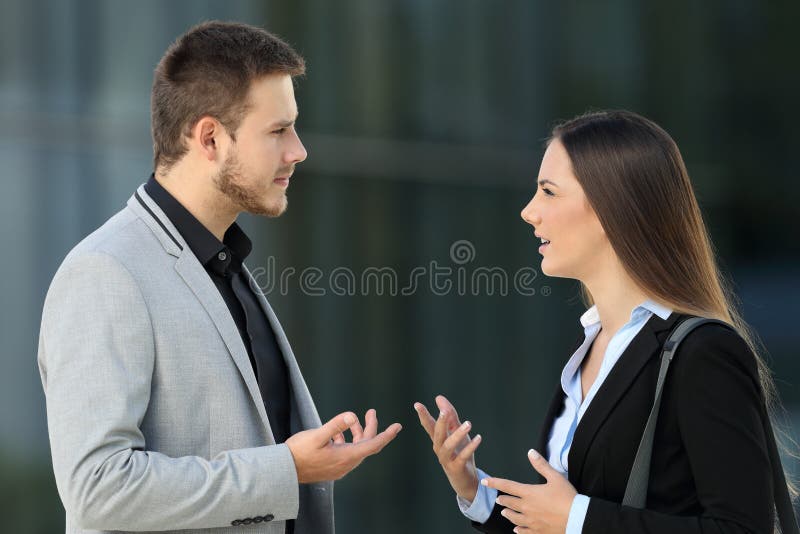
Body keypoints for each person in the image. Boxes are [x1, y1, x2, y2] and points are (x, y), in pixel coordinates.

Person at [37, 21, 401, 534]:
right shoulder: (105, 272)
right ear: (209, 138)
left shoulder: (223, 263)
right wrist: (285, 469)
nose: (298, 151)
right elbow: (98, 487)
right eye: (277, 131)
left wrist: (307, 458)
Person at [415, 110, 791, 533]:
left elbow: (743, 529)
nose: (528, 211)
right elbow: (562, 522)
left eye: (548, 192)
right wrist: (474, 490)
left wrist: (578, 517)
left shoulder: (703, 352)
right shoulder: (590, 347)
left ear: (611, 206)